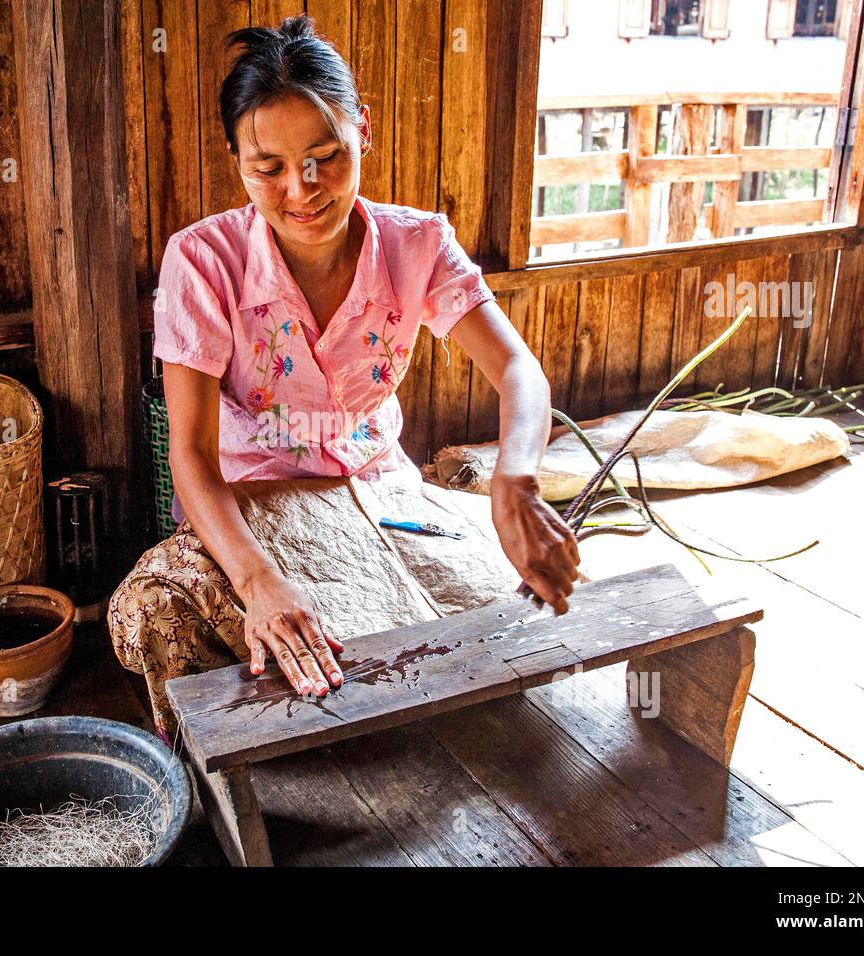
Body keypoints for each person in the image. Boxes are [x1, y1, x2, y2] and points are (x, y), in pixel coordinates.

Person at [110, 15, 579, 737]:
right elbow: (193, 458)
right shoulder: (202, 261)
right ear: (236, 159)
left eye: (326, 156)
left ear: (363, 129)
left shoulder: (417, 242)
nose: (302, 190)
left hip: (377, 496)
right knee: (151, 614)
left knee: (519, 607)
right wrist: (258, 582)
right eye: (268, 168)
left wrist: (514, 482)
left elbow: (516, 366)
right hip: (251, 515)